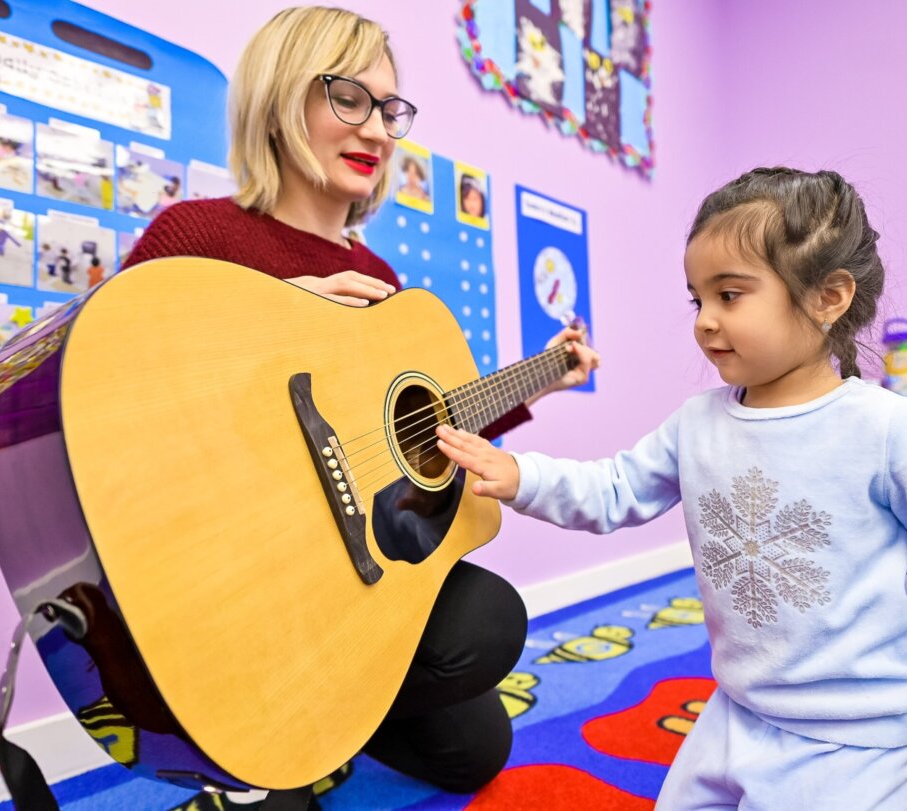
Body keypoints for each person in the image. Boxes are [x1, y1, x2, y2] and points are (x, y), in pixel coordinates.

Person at [120, 6, 598, 807]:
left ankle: (340, 713)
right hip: (245, 581)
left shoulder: (380, 273)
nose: (377, 128)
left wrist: (537, 381)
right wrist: (277, 308)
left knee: (478, 727)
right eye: (349, 98)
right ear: (281, 98)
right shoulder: (194, 234)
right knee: (486, 623)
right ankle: (262, 727)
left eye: (390, 108)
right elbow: (112, 379)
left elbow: (412, 430)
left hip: (349, 580)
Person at [436, 168, 907, 811]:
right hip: (735, 712)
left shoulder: (888, 431)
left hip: (860, 738)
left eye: (730, 295)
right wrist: (522, 475)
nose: (705, 321)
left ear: (829, 297)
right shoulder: (699, 424)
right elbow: (615, 488)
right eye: (697, 299)